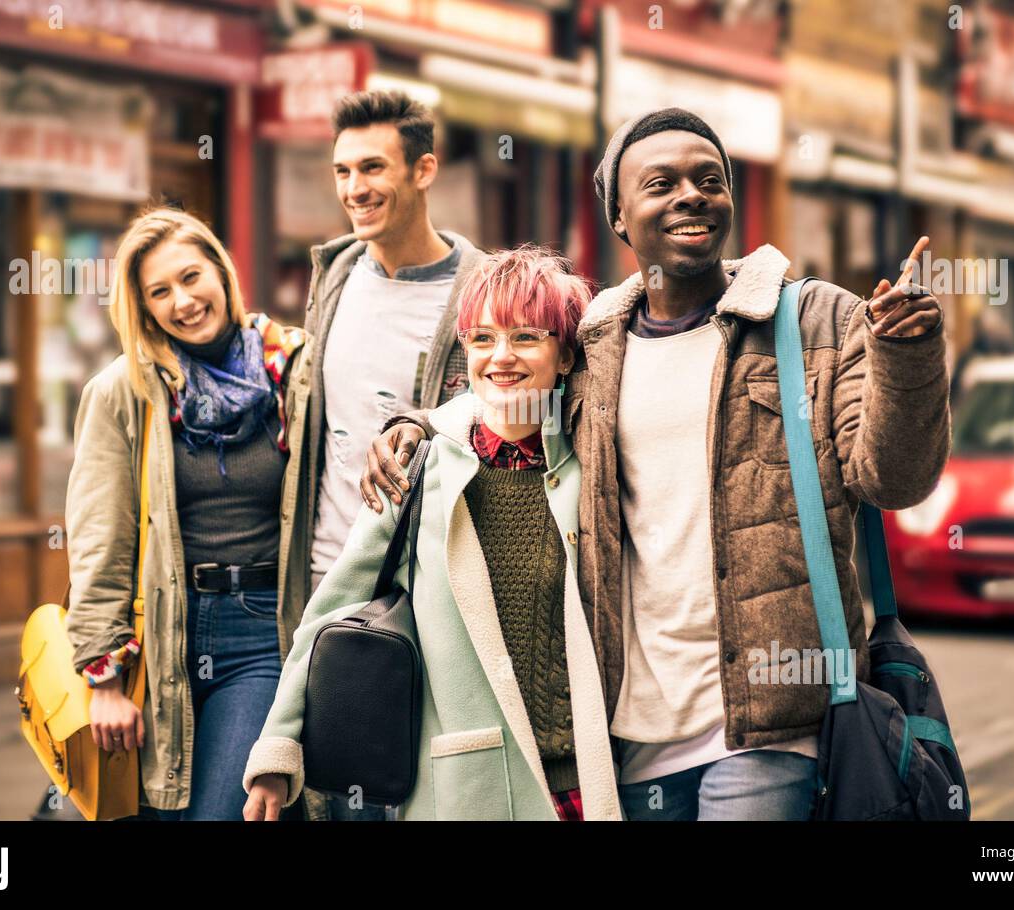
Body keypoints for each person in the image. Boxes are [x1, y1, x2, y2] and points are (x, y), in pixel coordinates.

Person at [366, 108, 951, 821]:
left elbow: (893, 480)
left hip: (770, 723)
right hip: (628, 728)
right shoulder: (596, 341)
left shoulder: (812, 320)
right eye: (662, 183)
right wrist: (414, 424)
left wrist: (907, 356)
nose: (691, 195)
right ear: (620, 214)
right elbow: (508, 400)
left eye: (710, 180)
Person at [242, 247, 621, 822]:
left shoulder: (594, 458)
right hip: (470, 786)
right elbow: (330, 612)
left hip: (589, 782)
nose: (501, 357)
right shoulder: (417, 468)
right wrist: (276, 752)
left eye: (526, 337)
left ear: (565, 355)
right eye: (482, 338)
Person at [65, 207, 312, 820]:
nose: (183, 300)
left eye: (191, 276)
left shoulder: (295, 371)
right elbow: (100, 538)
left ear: (222, 274)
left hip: (260, 634)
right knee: (155, 811)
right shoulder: (124, 390)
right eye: (160, 291)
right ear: (144, 307)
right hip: (157, 635)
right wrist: (103, 679)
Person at [293, 90, 485, 819]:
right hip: (323, 583)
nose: (354, 189)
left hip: (424, 590)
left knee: (427, 795)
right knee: (338, 798)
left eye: (372, 167)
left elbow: (520, 414)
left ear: (424, 169)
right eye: (342, 171)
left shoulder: (482, 288)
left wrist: (426, 423)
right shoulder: (333, 277)